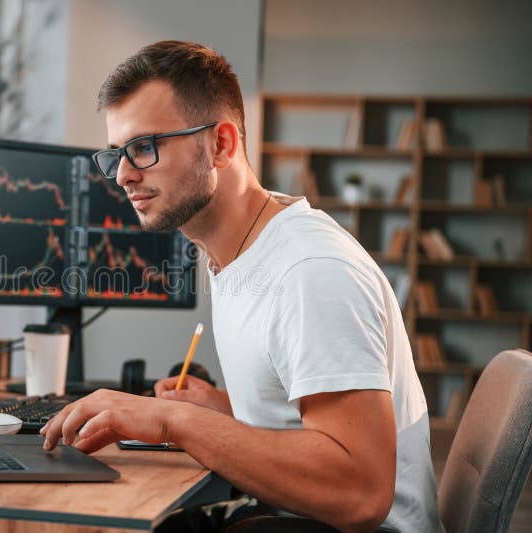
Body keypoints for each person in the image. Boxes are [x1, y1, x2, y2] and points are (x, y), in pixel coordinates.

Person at [40, 41, 439, 532]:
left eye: (143, 148)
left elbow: (359, 493)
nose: (123, 175)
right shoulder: (237, 251)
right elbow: (309, 417)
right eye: (116, 154)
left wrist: (175, 423)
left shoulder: (309, 271)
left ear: (221, 146)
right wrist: (225, 409)